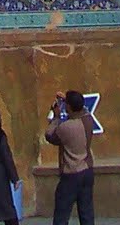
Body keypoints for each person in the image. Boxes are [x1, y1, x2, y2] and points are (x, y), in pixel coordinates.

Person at [45, 90, 96, 225]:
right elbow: (81, 109)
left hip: (71, 175)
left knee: (61, 216)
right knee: (87, 214)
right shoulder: (88, 120)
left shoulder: (66, 128)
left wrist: (55, 117)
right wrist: (66, 100)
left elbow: (49, 135)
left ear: (68, 107)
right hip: (87, 171)